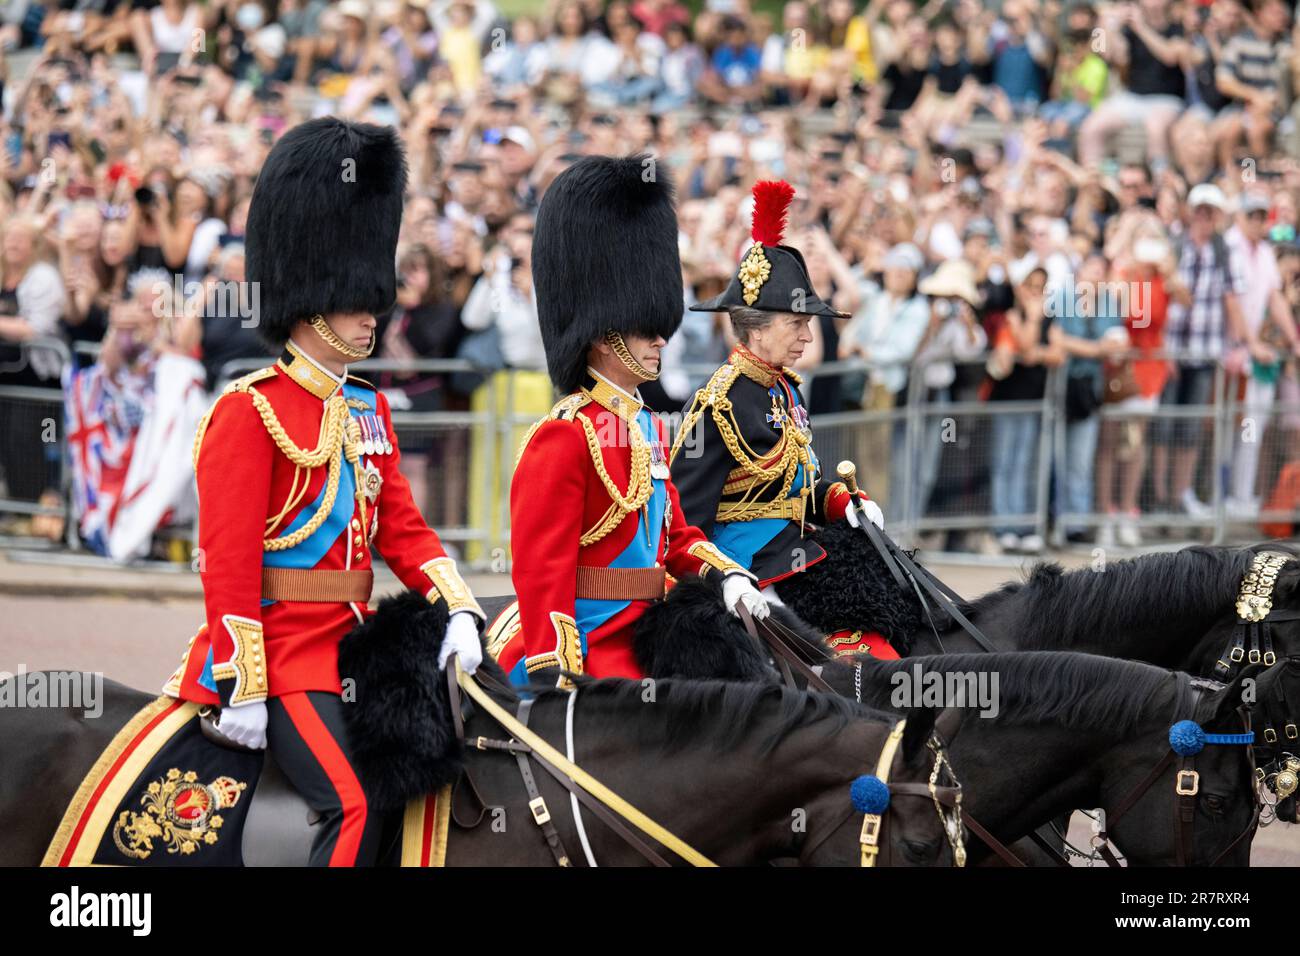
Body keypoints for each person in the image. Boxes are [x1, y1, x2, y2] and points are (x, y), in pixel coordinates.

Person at [163, 118, 484, 867]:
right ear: (311, 301)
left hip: (353, 646)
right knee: (355, 802)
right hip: (281, 654)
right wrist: (243, 680)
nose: (375, 311)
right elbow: (229, 557)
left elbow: (403, 530)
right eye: (355, 300)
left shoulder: (367, 410)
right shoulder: (249, 409)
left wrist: (459, 606)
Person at [499, 155, 768, 688]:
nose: (660, 338)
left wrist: (728, 574)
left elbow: (676, 540)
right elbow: (540, 569)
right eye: (645, 328)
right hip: (594, 642)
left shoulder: (645, 427)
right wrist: (559, 668)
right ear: (601, 333)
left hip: (652, 631)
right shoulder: (564, 434)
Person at [670, 179, 885, 615]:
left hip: (797, 551)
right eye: (796, 324)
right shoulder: (720, 403)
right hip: (752, 572)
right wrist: (723, 581)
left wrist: (842, 503)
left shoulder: (785, 389)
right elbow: (682, 521)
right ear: (758, 326)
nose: (809, 336)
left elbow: (795, 489)